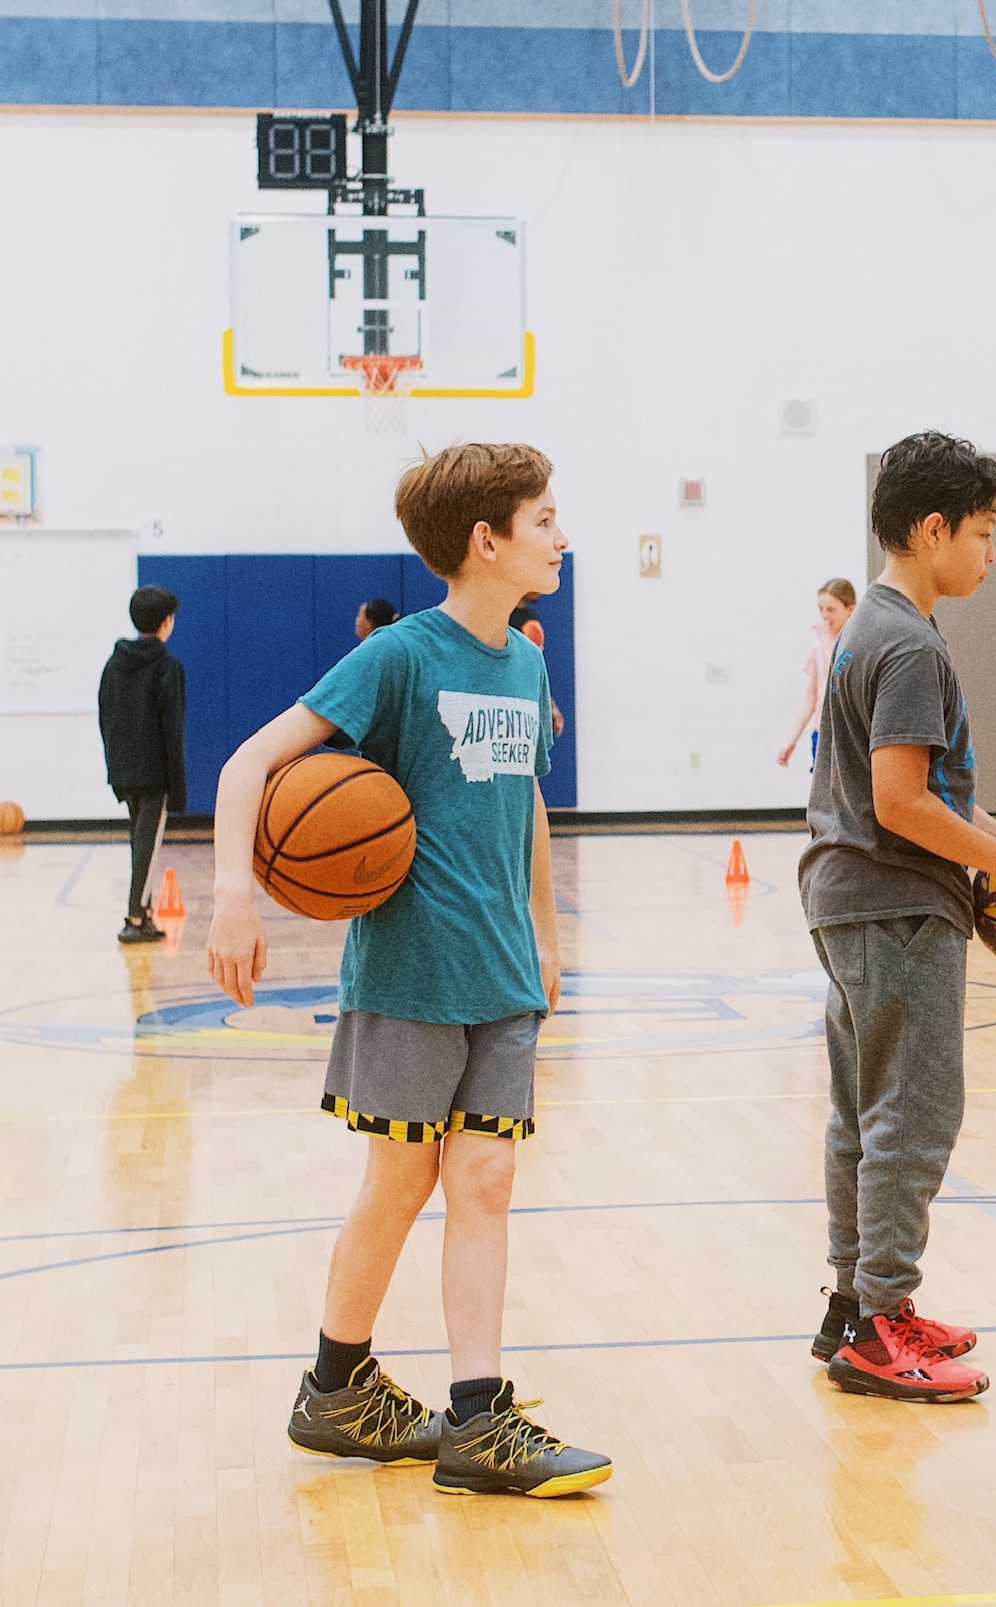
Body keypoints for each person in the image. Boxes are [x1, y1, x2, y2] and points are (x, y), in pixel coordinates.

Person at [205, 442, 610, 1496]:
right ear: (487, 538)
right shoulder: (398, 658)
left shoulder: (525, 658)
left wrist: (548, 931)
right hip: (410, 968)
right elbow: (249, 761)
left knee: (486, 1175)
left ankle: (478, 1418)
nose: (561, 536)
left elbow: (521, 794)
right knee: (401, 1177)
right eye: (544, 518)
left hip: (504, 967)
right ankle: (337, 1384)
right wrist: (233, 896)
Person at [800, 431, 996, 1403]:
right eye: (981, 533)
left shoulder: (870, 628)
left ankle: (855, 1305)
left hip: (849, 898)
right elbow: (899, 803)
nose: (991, 554)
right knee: (913, 1116)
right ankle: (885, 1320)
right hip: (894, 902)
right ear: (931, 530)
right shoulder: (908, 642)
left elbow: (920, 788)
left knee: (861, 1116)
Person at [97, 585, 186, 944]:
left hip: (123, 768)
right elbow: (172, 730)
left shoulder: (115, 662)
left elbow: (105, 715)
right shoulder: (167, 666)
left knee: (140, 841)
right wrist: (178, 787)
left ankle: (144, 913)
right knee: (147, 845)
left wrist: (114, 765)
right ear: (167, 622)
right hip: (154, 772)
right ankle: (135, 917)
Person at [778, 578, 857, 768]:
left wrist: (824, 639)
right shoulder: (817, 648)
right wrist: (791, 740)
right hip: (821, 732)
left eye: (831, 610)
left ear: (850, 609)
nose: (824, 616)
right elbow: (810, 699)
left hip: (848, 733)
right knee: (823, 794)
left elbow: (837, 674)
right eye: (821, 609)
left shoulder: (855, 644)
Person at [509, 604, 565, 738]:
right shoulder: (503, 617)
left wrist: (550, 705)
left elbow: (536, 669)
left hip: (530, 706)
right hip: (509, 705)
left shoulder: (530, 616)